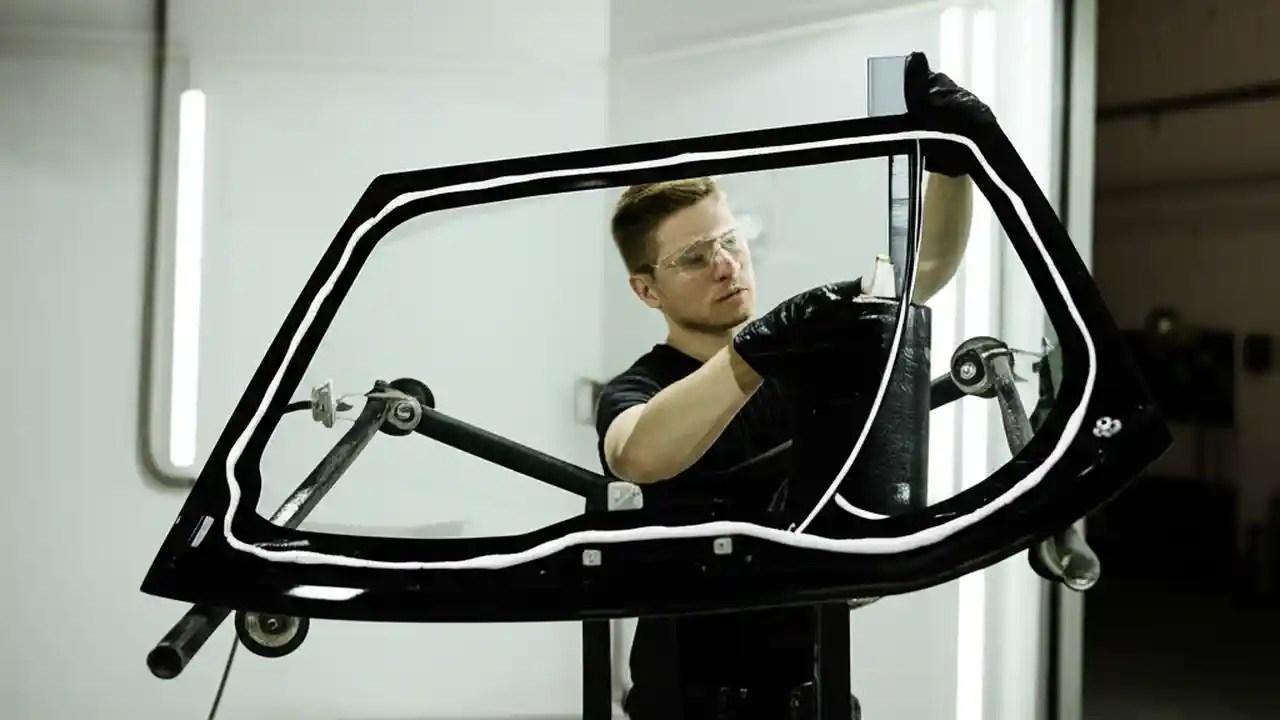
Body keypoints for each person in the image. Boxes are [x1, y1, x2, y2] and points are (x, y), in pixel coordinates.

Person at [594, 55, 994, 720]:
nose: (725, 265)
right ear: (646, 288)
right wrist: (753, 350)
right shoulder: (640, 387)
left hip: (813, 698)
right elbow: (636, 454)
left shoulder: (802, 356)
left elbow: (922, 270)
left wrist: (954, 163)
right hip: (685, 708)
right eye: (694, 258)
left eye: (730, 241)